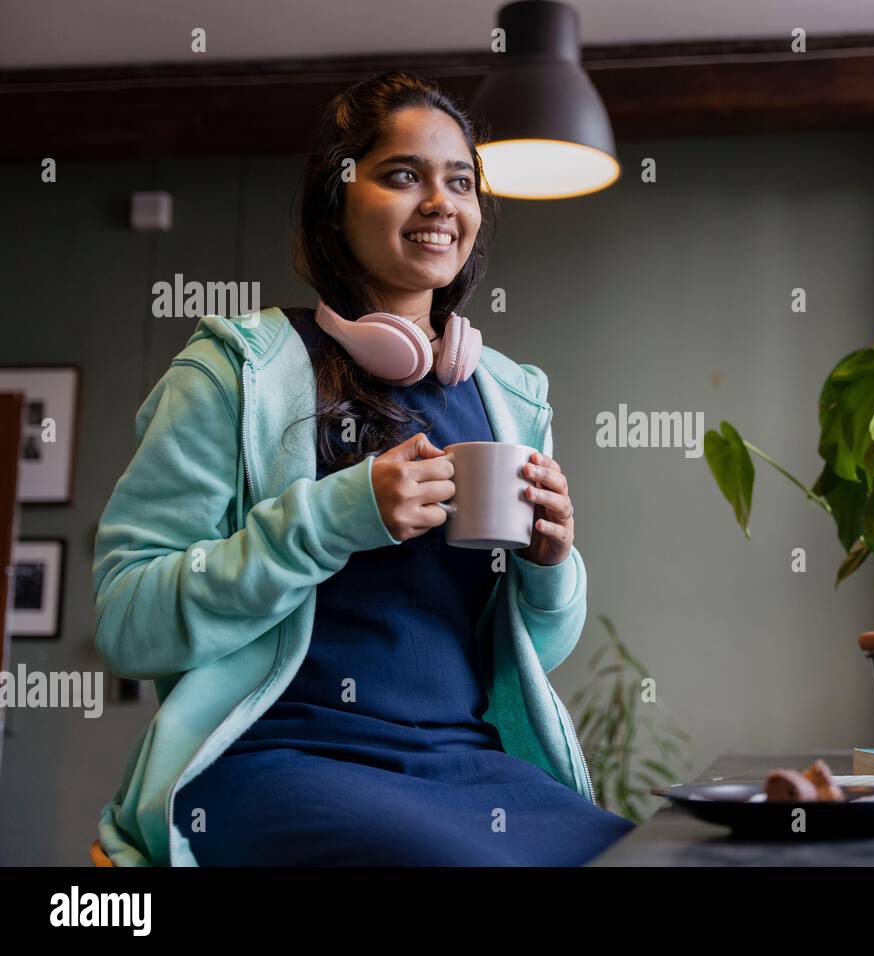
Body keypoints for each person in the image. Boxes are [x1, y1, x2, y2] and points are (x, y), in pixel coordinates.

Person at [92, 71, 635, 866]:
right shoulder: (235, 371)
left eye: (461, 182)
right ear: (335, 198)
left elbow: (535, 649)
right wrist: (336, 517)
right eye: (403, 175)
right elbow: (127, 621)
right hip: (278, 760)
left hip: (467, 765)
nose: (441, 202)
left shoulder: (510, 397)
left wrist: (550, 568)